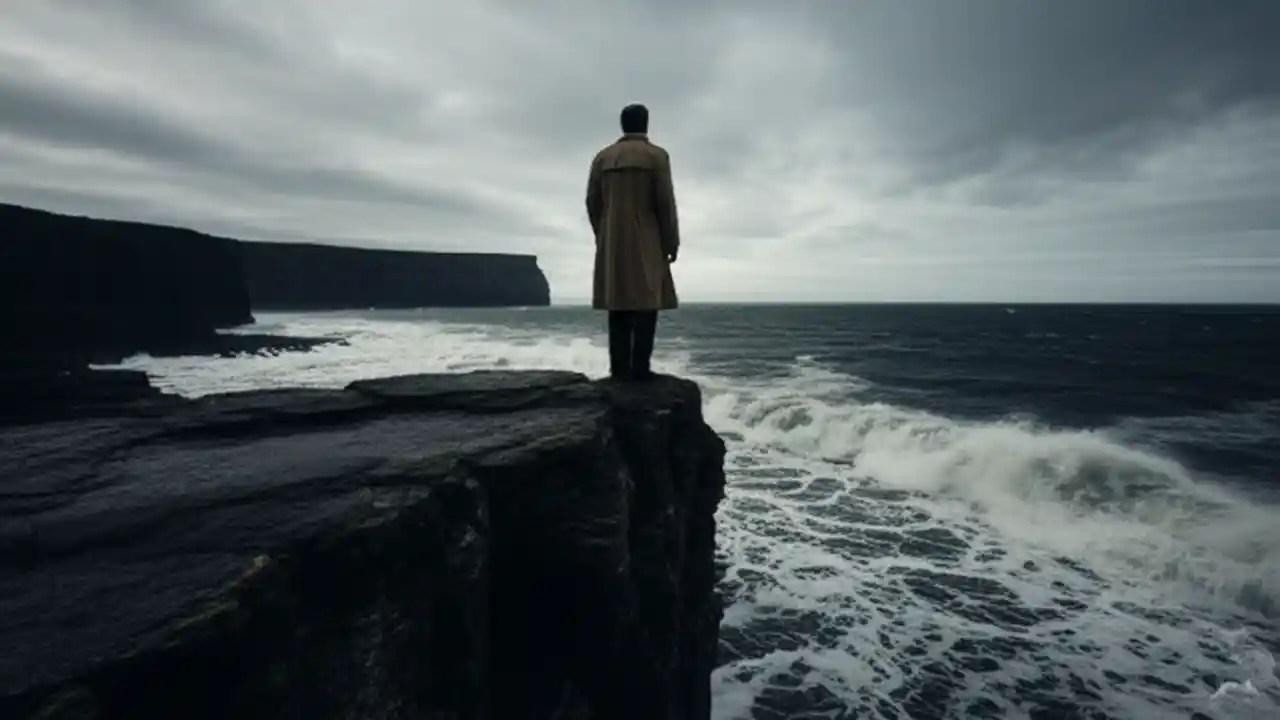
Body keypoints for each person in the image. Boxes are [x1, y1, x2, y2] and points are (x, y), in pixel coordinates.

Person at [586, 103, 680, 381]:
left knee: (618, 304)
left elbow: (592, 201)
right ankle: (640, 369)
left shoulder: (602, 158)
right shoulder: (657, 156)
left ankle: (618, 371)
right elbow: (665, 203)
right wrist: (671, 241)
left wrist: (602, 233)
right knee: (647, 302)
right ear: (646, 123)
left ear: (622, 124)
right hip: (648, 238)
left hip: (612, 240)